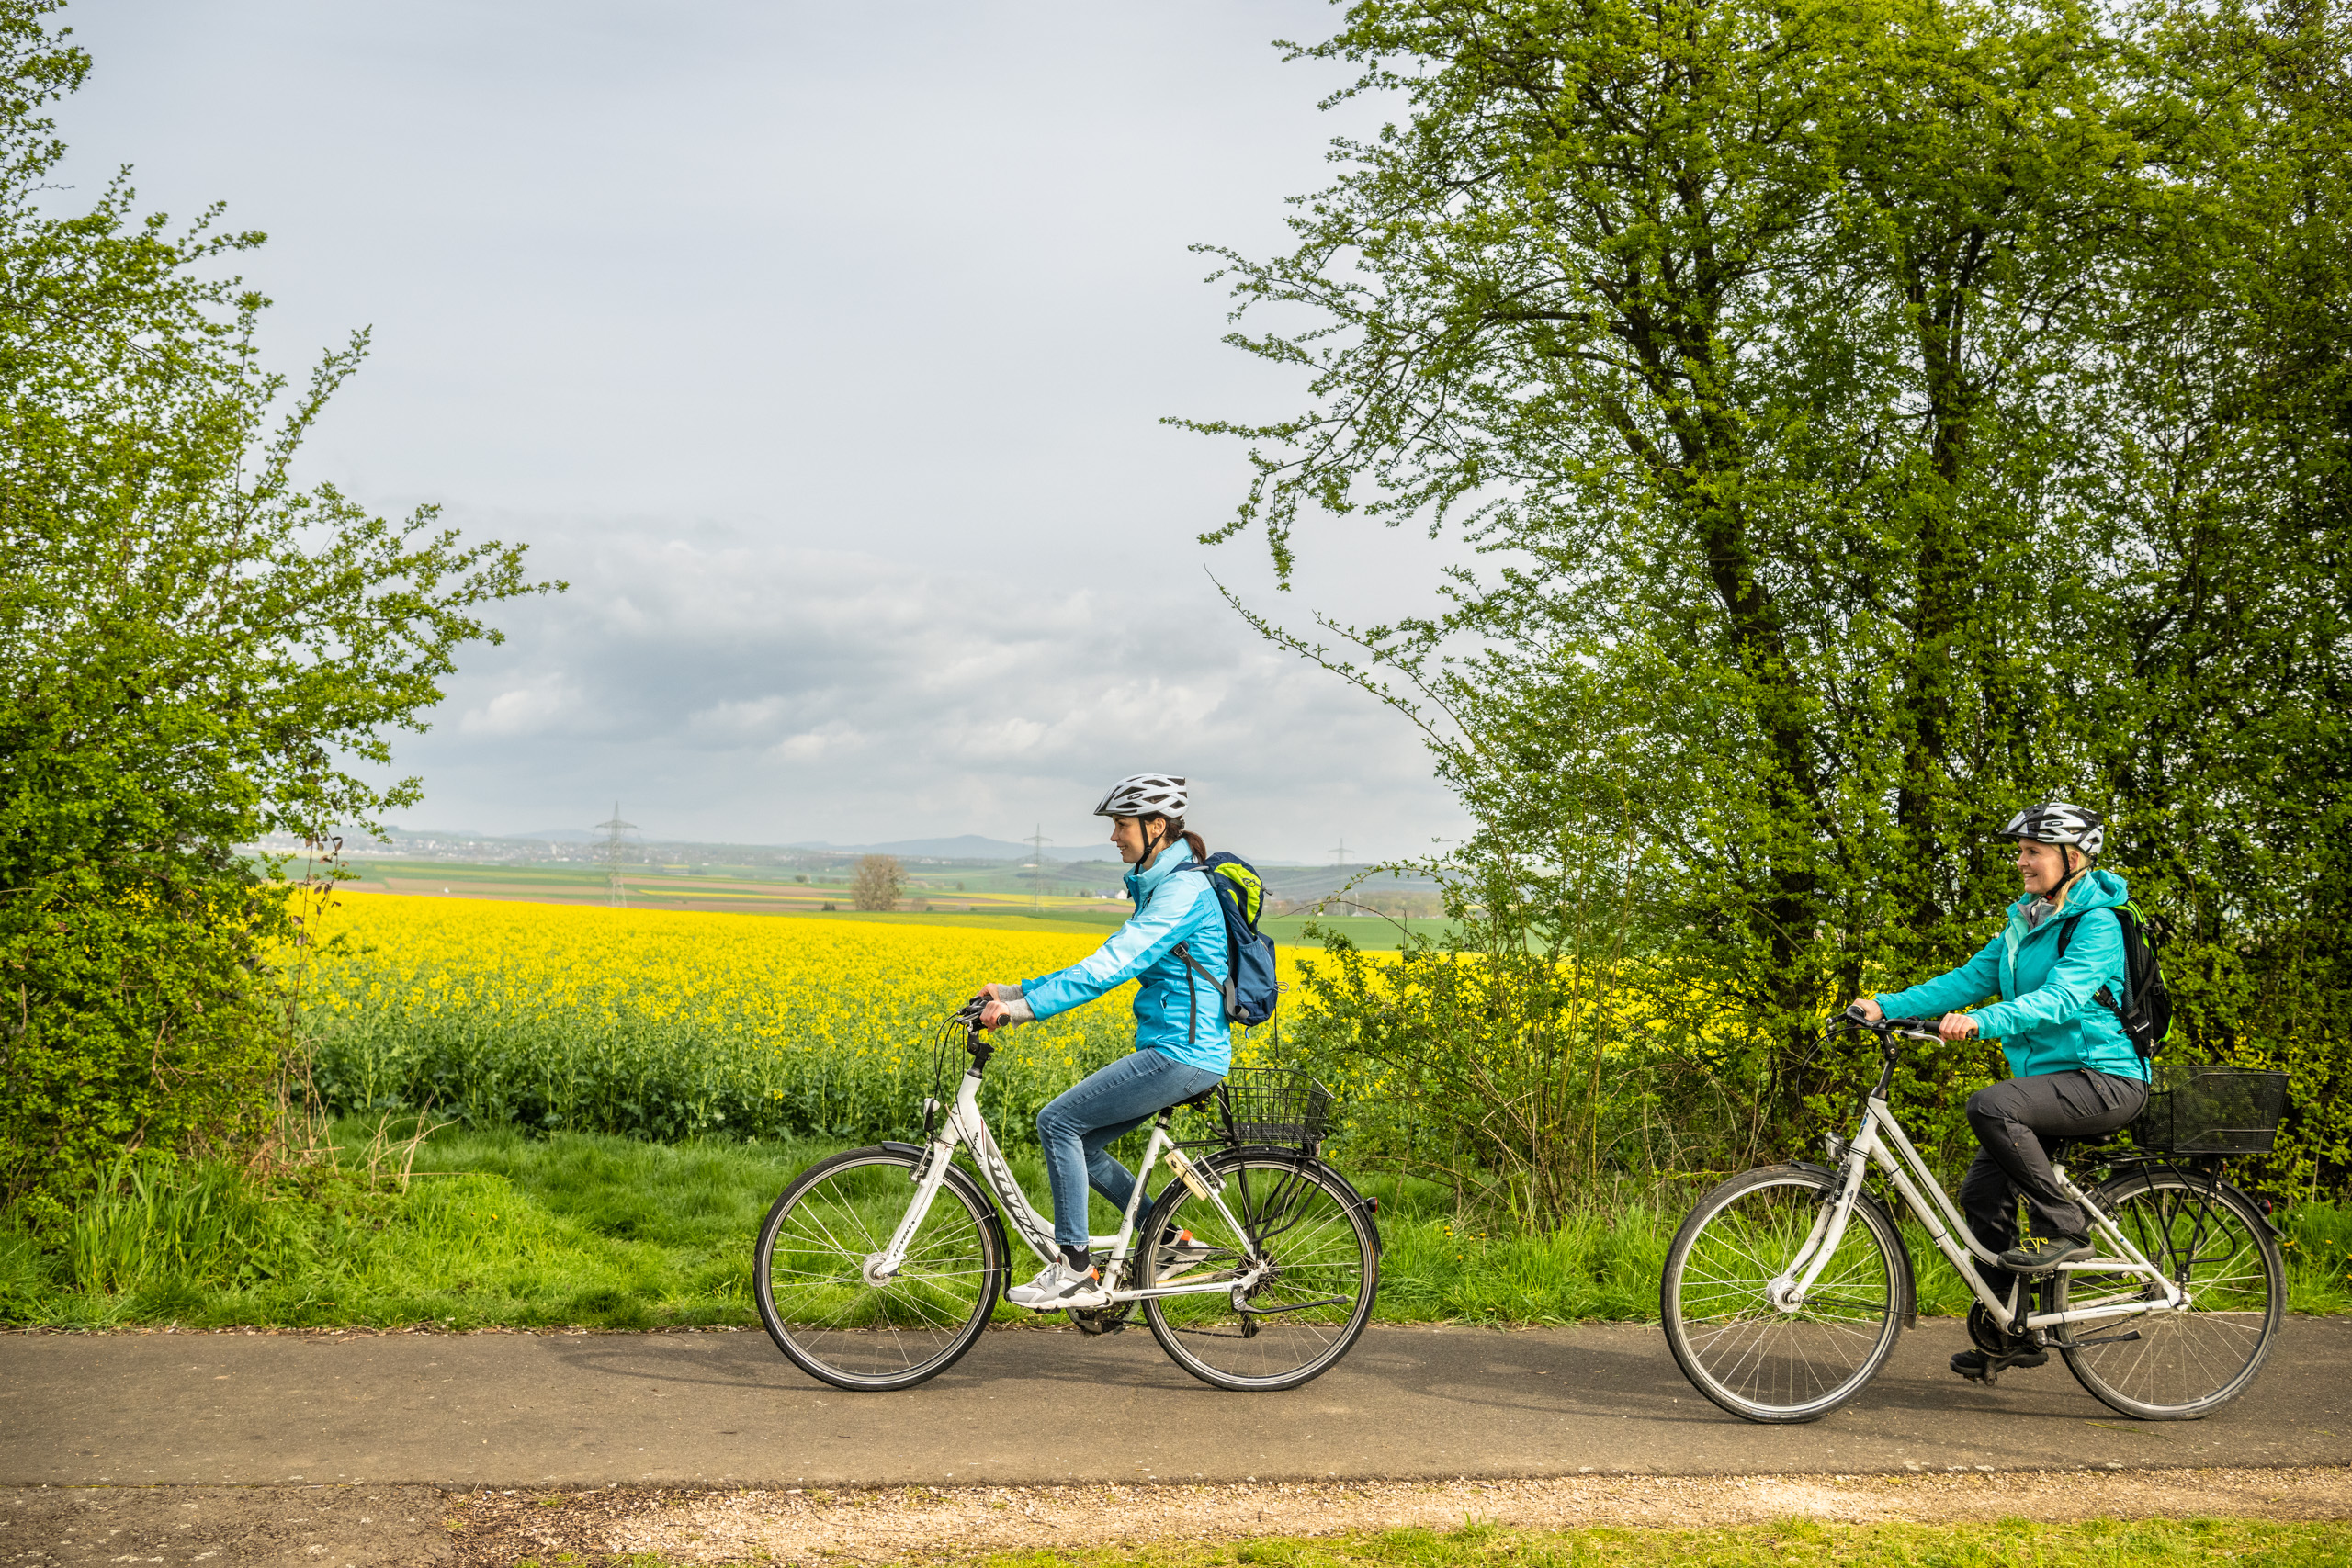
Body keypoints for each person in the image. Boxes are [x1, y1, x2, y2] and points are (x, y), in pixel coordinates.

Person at [1849, 800, 2151, 1382]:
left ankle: (2066, 1228)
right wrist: (1885, 1005)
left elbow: (2063, 998)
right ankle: (2014, 1328)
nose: (2022, 862)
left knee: (1990, 1104)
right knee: (1983, 1194)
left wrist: (1983, 1021)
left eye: (2033, 851)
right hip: (2050, 1084)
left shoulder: (2100, 924)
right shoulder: (2025, 923)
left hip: (2106, 1078)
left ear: (2073, 858)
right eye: (2021, 852)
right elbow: (1967, 979)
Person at [976, 773, 1231, 1311]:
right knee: (1084, 1143)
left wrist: (1020, 1012)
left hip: (1182, 1053)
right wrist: (1016, 991)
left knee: (1058, 1122)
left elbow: (1109, 968)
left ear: (1156, 826)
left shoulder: (1181, 891)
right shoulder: (1164, 883)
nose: (1114, 836)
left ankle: (1073, 1269)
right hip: (1177, 1049)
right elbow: (1100, 959)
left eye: (1121, 825)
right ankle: (1169, 1241)